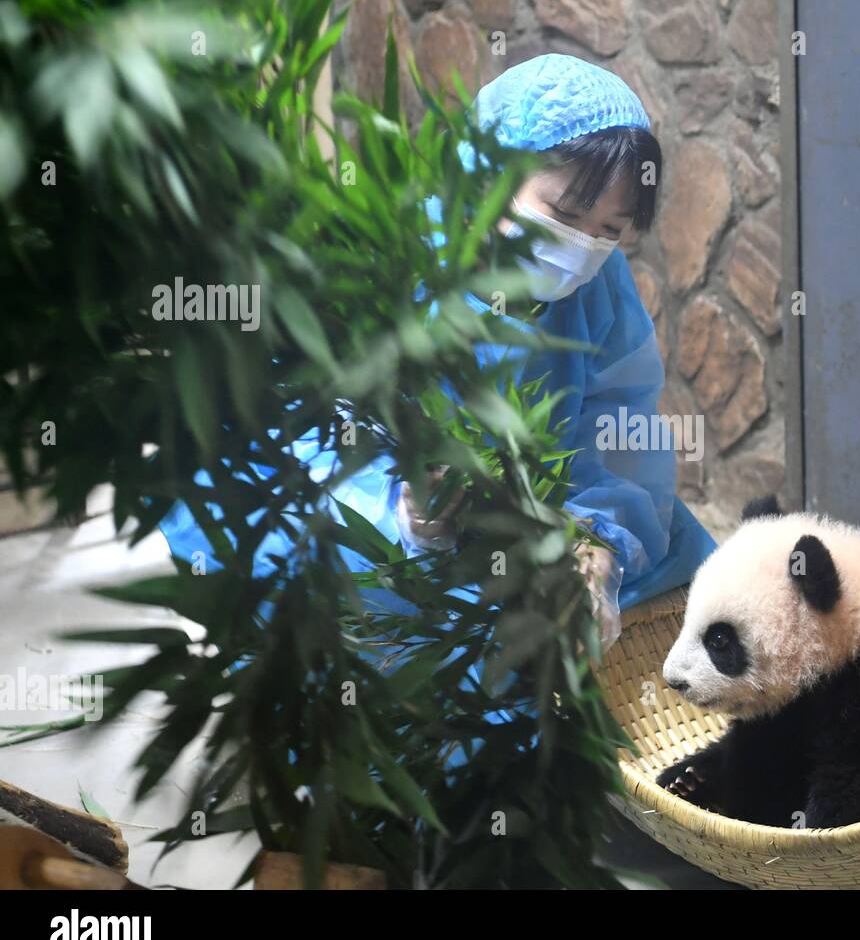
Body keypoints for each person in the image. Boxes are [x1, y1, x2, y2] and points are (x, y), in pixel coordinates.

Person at [159, 53, 716, 652]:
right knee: (359, 591)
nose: (582, 248)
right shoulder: (393, 261)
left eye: (610, 231)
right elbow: (302, 423)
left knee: (677, 553)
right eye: (564, 216)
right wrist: (398, 513)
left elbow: (617, 427)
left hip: (520, 524)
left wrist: (596, 544)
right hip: (364, 515)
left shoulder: (601, 287)